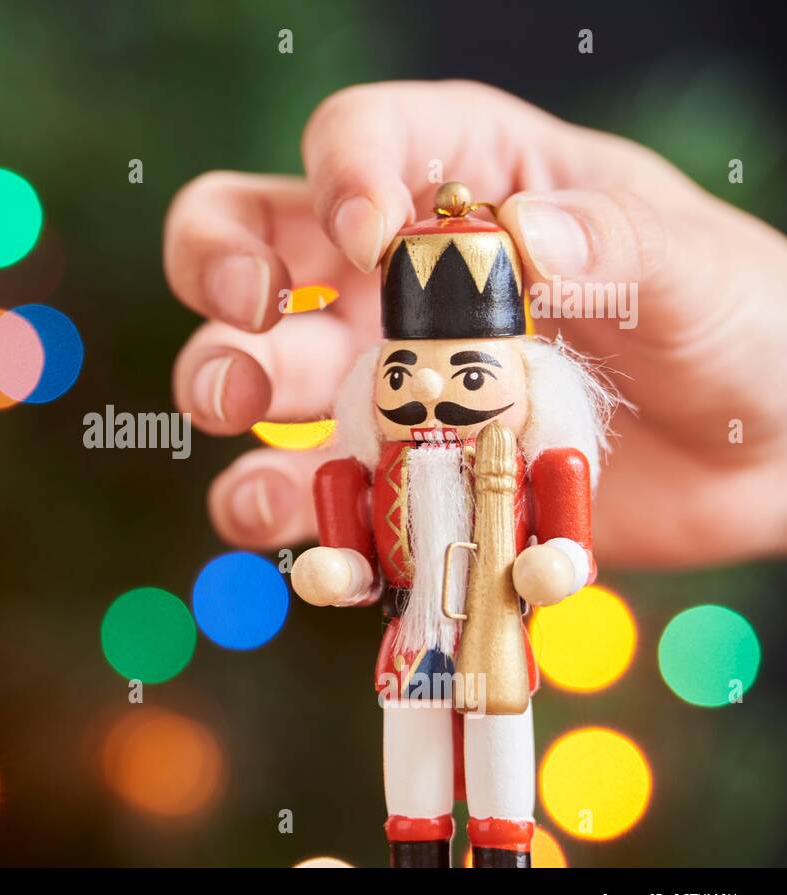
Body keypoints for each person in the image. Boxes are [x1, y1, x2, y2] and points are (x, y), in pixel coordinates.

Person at [164, 80, 787, 570]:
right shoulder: (374, 471)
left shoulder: (548, 467)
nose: (429, 394)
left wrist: (556, 562)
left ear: (534, 384)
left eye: (469, 377)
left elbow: (566, 547)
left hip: (503, 638)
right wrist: (343, 570)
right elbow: (354, 552)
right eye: (403, 376)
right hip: (406, 639)